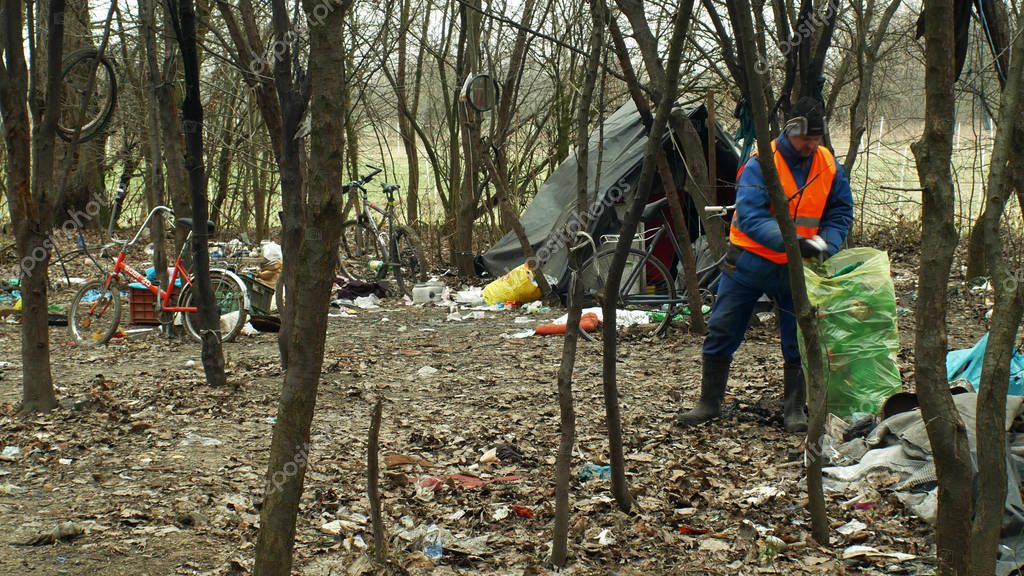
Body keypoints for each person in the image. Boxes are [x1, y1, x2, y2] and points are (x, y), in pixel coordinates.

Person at [675, 96, 854, 433]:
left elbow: (840, 211)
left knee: (797, 338)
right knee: (723, 328)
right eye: (805, 139)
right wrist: (793, 241)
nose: (811, 145)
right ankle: (709, 403)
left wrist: (826, 245)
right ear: (789, 132)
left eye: (817, 139)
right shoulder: (762, 163)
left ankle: (794, 410)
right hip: (748, 263)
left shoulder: (827, 164)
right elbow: (754, 218)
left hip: (797, 270)